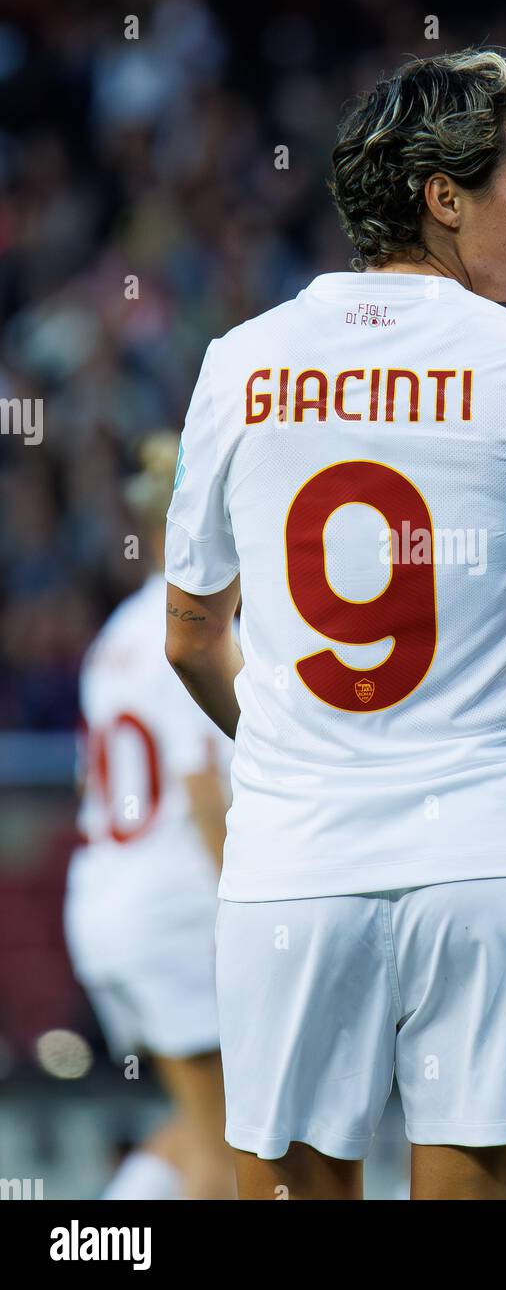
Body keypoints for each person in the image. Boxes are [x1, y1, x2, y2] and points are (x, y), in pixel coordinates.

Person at [163, 48, 506, 1202]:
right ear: (444, 197)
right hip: (484, 859)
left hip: (293, 866)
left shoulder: (238, 362)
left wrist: (279, 748)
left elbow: (188, 633)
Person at [64, 433, 236, 1200]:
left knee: (201, 1120)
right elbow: (202, 787)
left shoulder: (115, 637)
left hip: (105, 902)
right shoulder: (192, 630)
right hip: (179, 910)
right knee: (233, 1143)